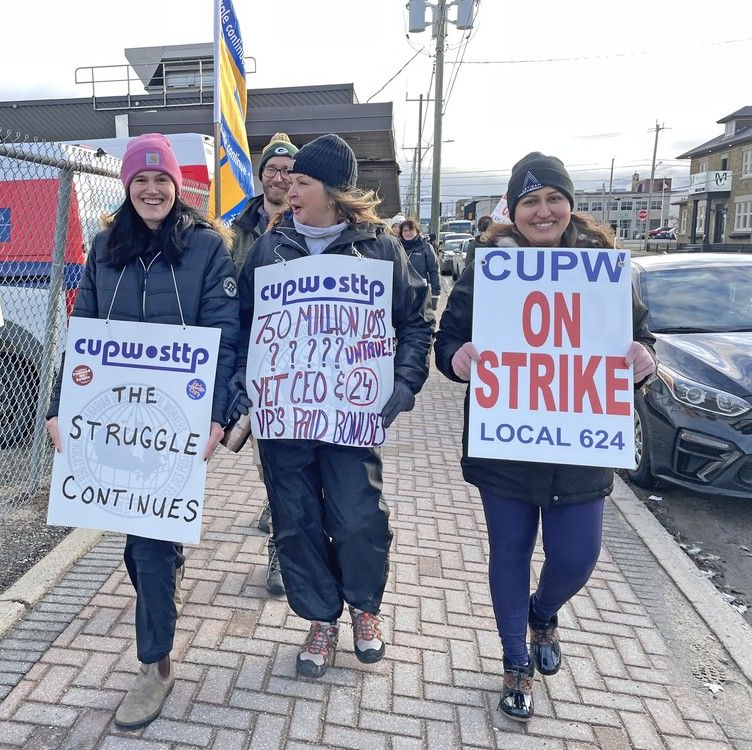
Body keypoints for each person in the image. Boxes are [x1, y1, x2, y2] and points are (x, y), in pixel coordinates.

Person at [434, 152, 656, 722]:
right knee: (508, 553)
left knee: (576, 557)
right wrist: (457, 358)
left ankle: (543, 612)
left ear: (570, 204)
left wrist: (643, 357)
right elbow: (448, 340)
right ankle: (514, 662)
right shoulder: (490, 265)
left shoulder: (604, 266)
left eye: (553, 198)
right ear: (515, 209)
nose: (543, 210)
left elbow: (641, 336)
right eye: (530, 201)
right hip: (506, 441)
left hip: (579, 443)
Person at [45, 133, 239, 731]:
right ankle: (165, 581)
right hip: (118, 424)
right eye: (141, 180)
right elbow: (83, 329)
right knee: (141, 547)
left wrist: (219, 415)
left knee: (148, 544)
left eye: (162, 180)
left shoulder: (207, 248)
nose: (152, 190)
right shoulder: (105, 247)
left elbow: (225, 331)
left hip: (176, 421)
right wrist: (59, 405)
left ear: (177, 187)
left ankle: (154, 665)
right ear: (127, 188)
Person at [231, 134, 434, 679]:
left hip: (349, 415)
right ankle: (320, 619)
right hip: (285, 417)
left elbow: (414, 322)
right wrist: (241, 386)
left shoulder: (379, 248)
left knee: (358, 518)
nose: (288, 189)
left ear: (333, 191)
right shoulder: (270, 248)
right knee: (296, 521)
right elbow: (243, 326)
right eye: (288, 180)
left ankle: (365, 608)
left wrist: (404, 382)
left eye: (302, 182)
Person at [230, 133, 299, 598]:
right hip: (257, 363)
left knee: (290, 462)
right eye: (272, 170)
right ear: (262, 176)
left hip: (304, 365)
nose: (279, 177)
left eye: (288, 171)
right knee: (269, 457)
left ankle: (284, 544)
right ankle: (279, 517)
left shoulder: (314, 224)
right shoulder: (236, 229)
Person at [399, 218, 441, 308]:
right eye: (405, 230)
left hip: (421, 292)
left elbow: (434, 271)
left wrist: (435, 294)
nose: (408, 233)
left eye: (411, 230)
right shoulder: (397, 247)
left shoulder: (426, 247)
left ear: (417, 231)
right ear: (401, 233)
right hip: (401, 293)